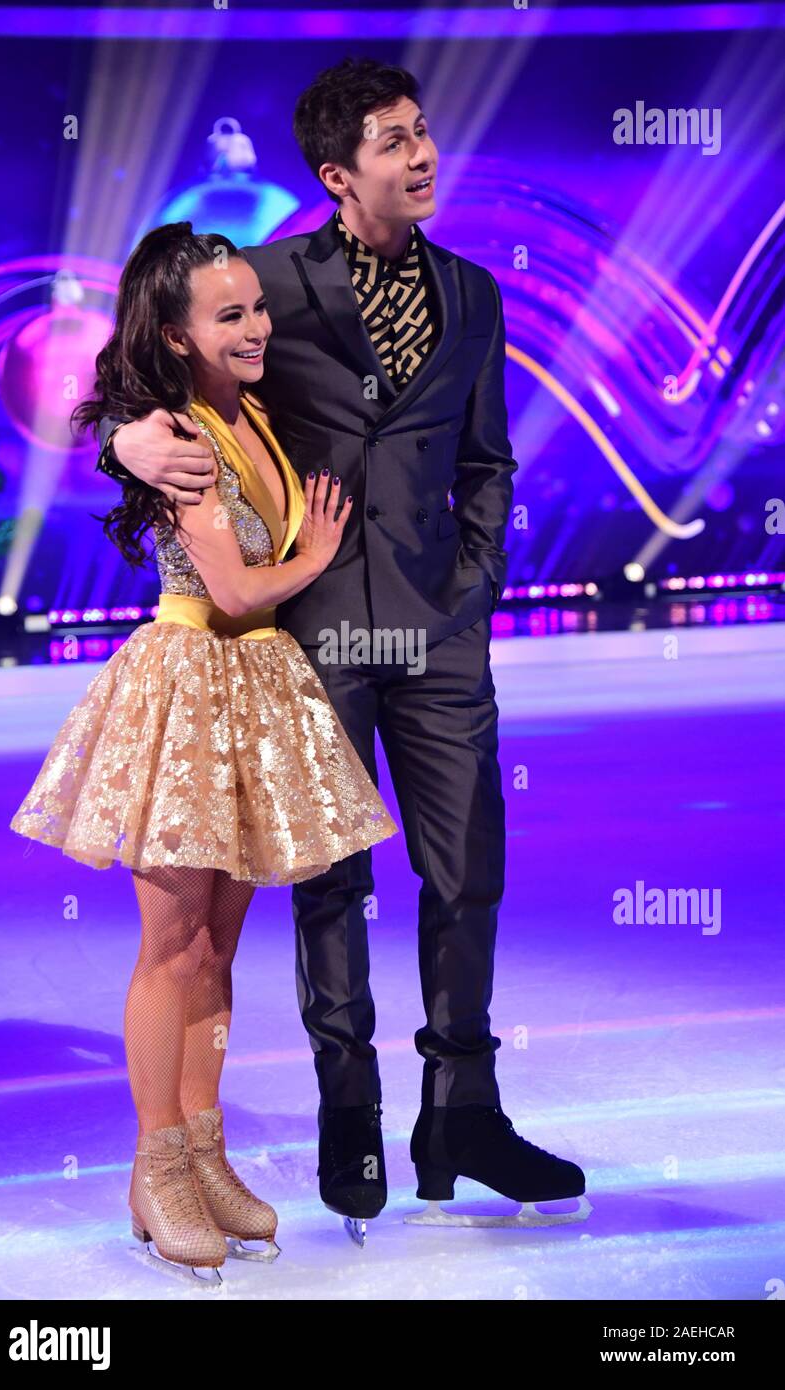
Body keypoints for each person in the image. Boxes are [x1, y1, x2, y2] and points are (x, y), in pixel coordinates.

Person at [94, 58, 586, 1236]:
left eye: (426, 132)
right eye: (394, 141)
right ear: (335, 173)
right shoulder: (266, 282)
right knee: (327, 881)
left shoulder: (472, 293)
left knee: (468, 871)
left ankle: (462, 1109)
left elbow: (486, 460)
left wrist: (470, 588)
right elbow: (150, 354)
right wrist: (125, 440)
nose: (422, 155)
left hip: (441, 631)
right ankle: (348, 1112)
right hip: (306, 637)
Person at [9, 222, 399, 1278]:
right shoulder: (175, 433)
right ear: (176, 337)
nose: (256, 326)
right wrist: (314, 553)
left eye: (255, 308)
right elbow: (231, 589)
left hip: (254, 688)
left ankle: (202, 1145)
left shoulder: (257, 413)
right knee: (173, 946)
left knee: (218, 950)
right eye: (229, 315)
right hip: (189, 686)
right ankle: (155, 1167)